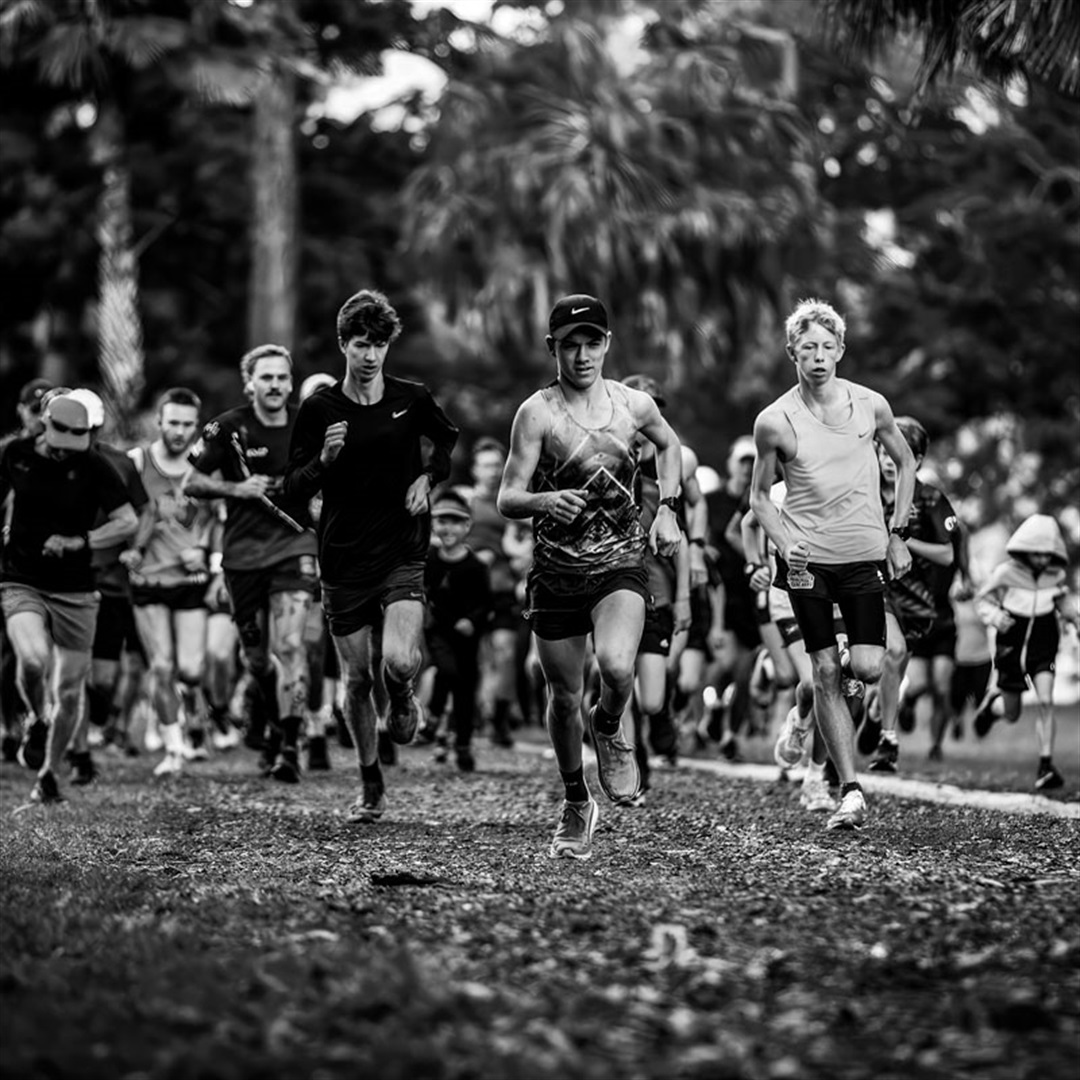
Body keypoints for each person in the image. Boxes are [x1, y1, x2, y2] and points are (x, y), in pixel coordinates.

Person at [497, 294, 683, 860]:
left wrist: (669, 506)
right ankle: (577, 801)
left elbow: (669, 446)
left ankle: (608, 726)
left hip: (620, 564)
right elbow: (508, 496)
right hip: (556, 570)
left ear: (607, 345)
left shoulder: (634, 406)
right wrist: (544, 500)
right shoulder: (537, 413)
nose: (582, 356)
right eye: (570, 345)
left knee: (618, 666)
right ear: (553, 348)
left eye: (592, 343)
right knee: (561, 696)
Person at [284, 289, 460, 821]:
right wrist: (324, 459)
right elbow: (292, 489)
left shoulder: (413, 397)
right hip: (341, 557)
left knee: (399, 660)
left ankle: (403, 695)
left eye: (379, 344)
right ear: (343, 345)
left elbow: (447, 443)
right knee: (357, 679)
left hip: (402, 548)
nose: (370, 356)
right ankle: (369, 779)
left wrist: (428, 478)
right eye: (361, 344)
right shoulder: (319, 410)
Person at [749, 298, 916, 831]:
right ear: (792, 352)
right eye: (807, 348)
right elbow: (758, 499)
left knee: (866, 667)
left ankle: (807, 708)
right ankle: (849, 790)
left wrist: (898, 531)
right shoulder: (774, 421)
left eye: (827, 347)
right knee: (824, 670)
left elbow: (906, 461)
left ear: (841, 350)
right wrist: (783, 541)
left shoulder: (872, 405)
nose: (818, 356)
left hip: (863, 556)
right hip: (808, 564)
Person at [185, 345, 320, 784]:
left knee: (292, 647)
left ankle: (290, 746)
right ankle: (270, 717)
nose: (276, 385)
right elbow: (193, 482)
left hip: (295, 545)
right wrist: (238, 490)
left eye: (282, 377)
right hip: (243, 556)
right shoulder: (228, 428)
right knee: (258, 658)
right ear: (250, 383)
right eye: (266, 378)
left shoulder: (309, 421)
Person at [0, 391, 138, 804]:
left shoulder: (94, 464)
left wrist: (82, 541)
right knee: (35, 659)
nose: (66, 454)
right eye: (60, 443)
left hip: (76, 588)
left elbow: (127, 520)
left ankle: (48, 773)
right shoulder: (14, 454)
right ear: (45, 423)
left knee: (72, 690)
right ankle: (37, 720)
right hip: (21, 577)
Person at [123, 388, 218, 777]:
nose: (179, 431)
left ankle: (195, 713)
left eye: (187, 424)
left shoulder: (207, 468)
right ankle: (174, 747)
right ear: (159, 422)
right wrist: (130, 547)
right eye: (172, 422)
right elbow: (119, 512)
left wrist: (206, 552)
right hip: (147, 578)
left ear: (196, 426)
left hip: (191, 579)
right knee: (162, 667)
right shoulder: (136, 462)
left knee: (192, 670)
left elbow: (219, 519)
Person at [62, 388, 150, 782]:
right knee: (71, 672)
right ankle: (79, 755)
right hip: (64, 578)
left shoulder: (118, 463)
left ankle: (99, 717)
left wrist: (136, 548)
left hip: (111, 580)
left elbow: (141, 513)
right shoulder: (41, 462)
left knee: (102, 680)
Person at [863, 416, 959, 773]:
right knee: (895, 651)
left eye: (898, 454)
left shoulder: (931, 498)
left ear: (916, 460)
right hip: (875, 587)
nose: (889, 460)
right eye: (884, 452)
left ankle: (876, 710)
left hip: (919, 601)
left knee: (894, 667)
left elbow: (948, 554)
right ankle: (888, 740)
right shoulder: (865, 490)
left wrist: (902, 541)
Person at [973, 513, 1078, 790]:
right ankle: (991, 708)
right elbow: (983, 600)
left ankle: (1046, 764)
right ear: (1025, 549)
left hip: (1043, 648)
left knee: (1046, 700)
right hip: (1011, 649)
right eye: (1037, 553)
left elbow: (1063, 602)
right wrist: (995, 616)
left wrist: (1074, 619)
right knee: (1012, 713)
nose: (1043, 560)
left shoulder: (1055, 576)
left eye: (1048, 554)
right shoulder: (1006, 573)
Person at [1, 377, 54, 761]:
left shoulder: (66, 456)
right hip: (5, 562)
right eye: (34, 410)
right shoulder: (8, 452)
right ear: (21, 411)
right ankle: (8, 726)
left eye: (46, 411)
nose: (39, 418)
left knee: (30, 653)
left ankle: (34, 721)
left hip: (41, 570)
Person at [423, 488, 493, 771]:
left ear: (467, 526)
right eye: (441, 521)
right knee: (446, 670)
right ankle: (435, 713)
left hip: (467, 638)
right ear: (433, 524)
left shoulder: (475, 566)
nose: (447, 528)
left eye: (454, 521)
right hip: (438, 632)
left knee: (465, 689)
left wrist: (473, 621)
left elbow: (486, 603)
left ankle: (463, 746)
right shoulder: (429, 560)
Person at [462, 437, 518, 747]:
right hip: (469, 592)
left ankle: (500, 719)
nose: (493, 471)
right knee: (473, 657)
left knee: (505, 652)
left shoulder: (511, 501)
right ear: (474, 470)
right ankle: (468, 718)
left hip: (502, 588)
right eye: (486, 465)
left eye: (497, 465)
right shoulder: (464, 502)